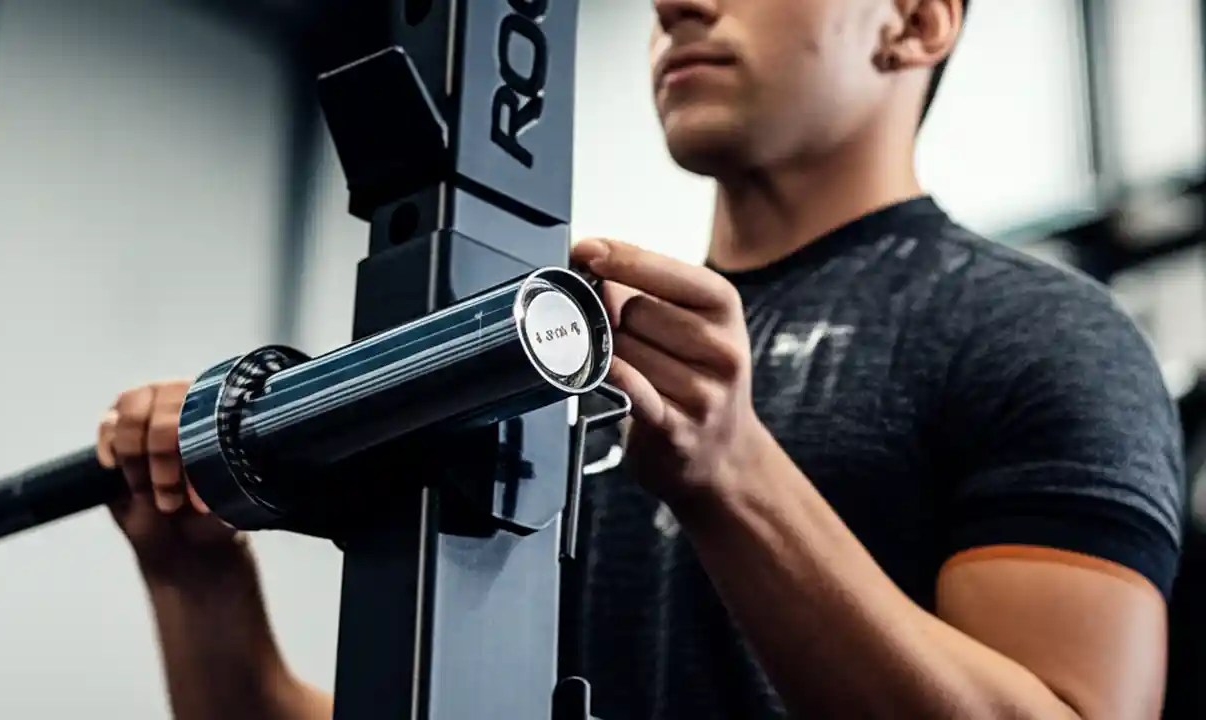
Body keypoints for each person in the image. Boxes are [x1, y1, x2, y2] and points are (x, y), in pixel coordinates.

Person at [97, 0, 1185, 717]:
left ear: (913, 20)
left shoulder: (1038, 331)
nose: (673, 6)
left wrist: (730, 473)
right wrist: (196, 580)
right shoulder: (576, 365)